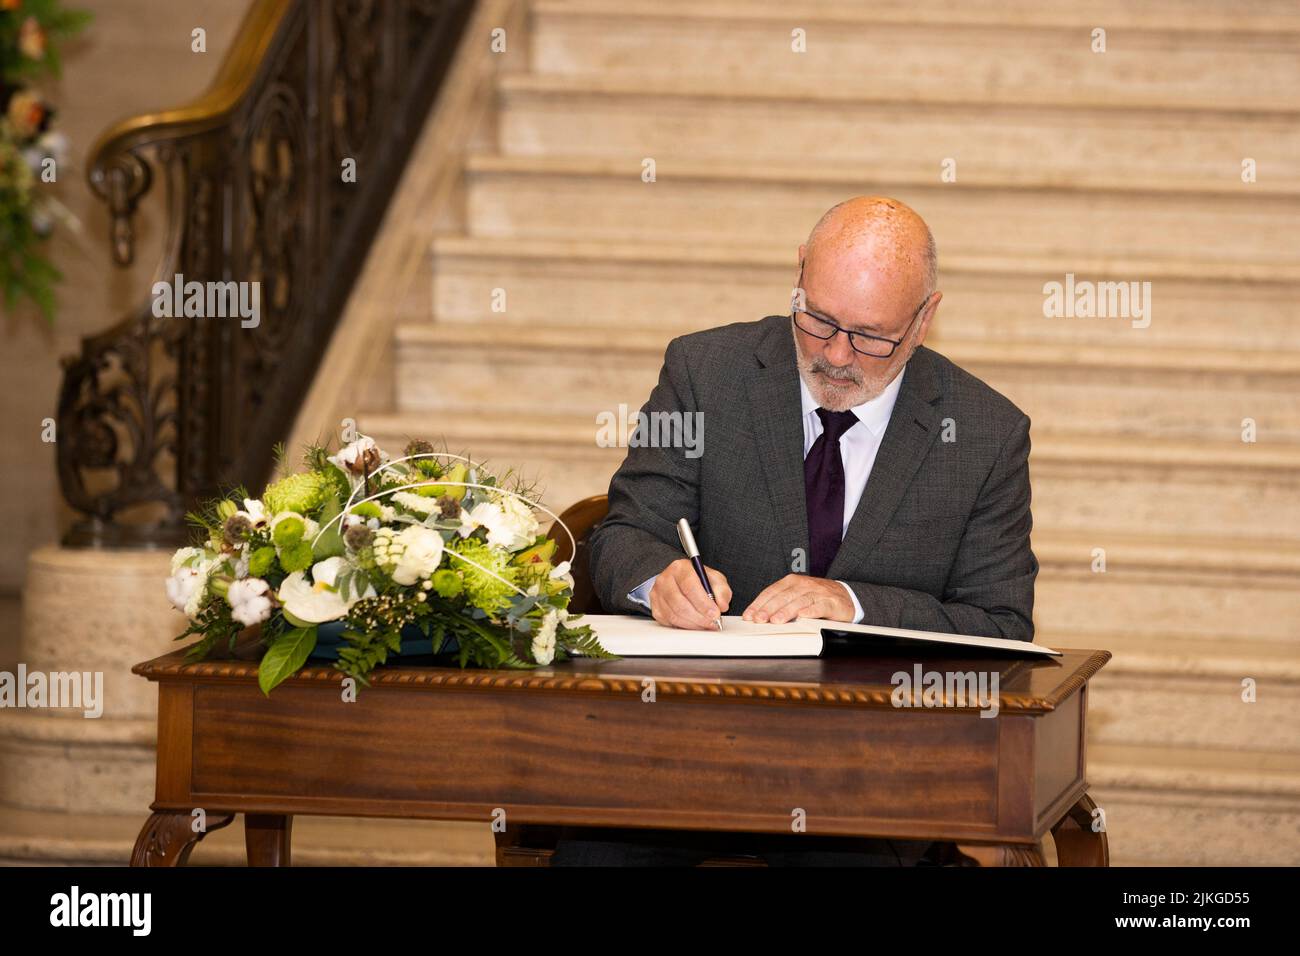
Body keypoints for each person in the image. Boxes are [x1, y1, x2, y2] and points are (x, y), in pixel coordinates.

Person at [551, 197, 1037, 866]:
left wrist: (856, 605)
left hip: (866, 768)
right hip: (684, 744)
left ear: (925, 319)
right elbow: (627, 530)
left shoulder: (985, 434)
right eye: (818, 320)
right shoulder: (703, 372)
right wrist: (656, 581)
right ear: (799, 273)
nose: (836, 355)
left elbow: (1001, 627)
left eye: (870, 336)